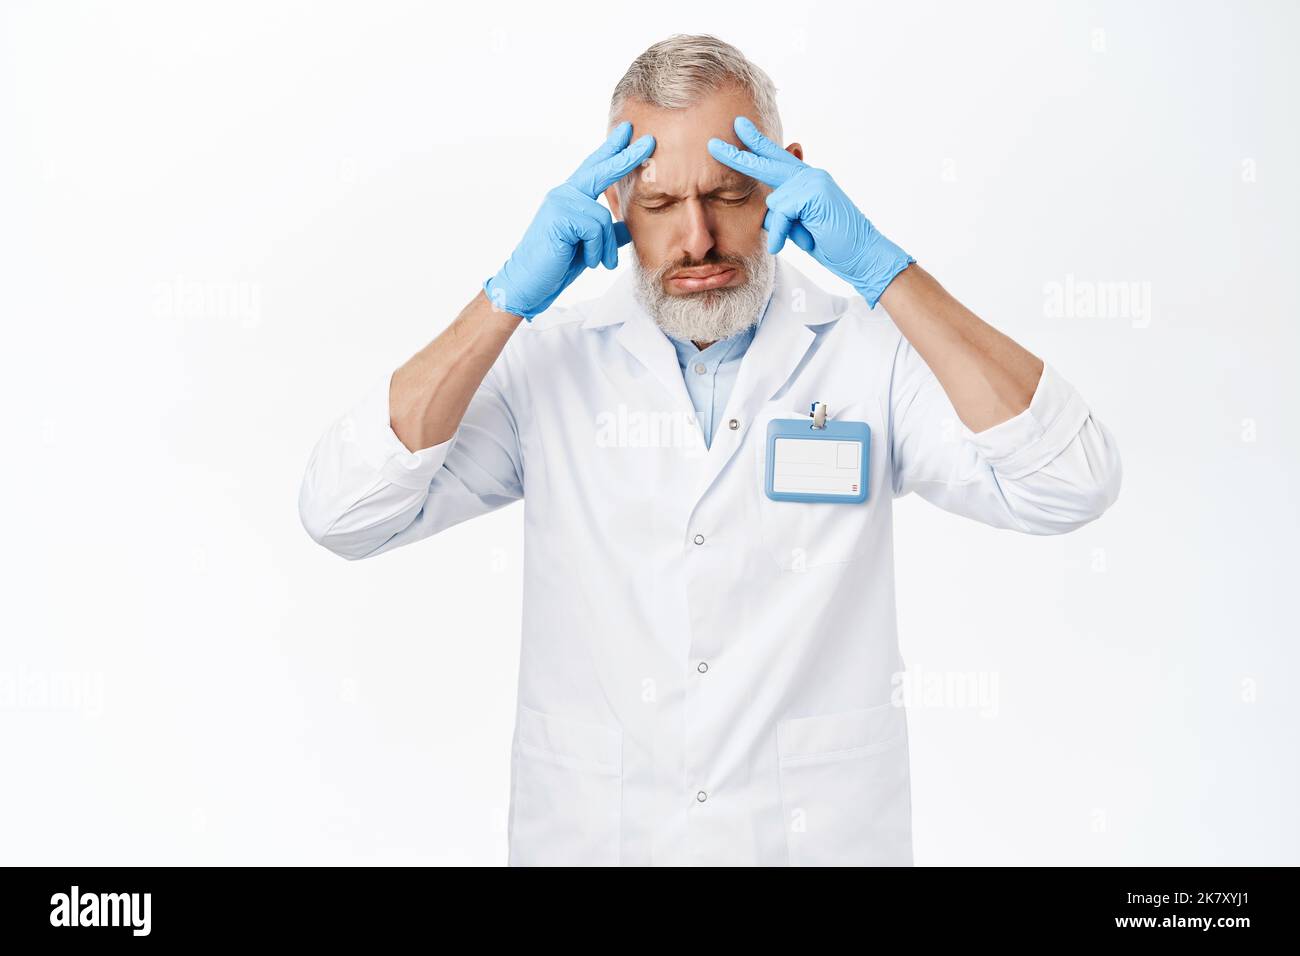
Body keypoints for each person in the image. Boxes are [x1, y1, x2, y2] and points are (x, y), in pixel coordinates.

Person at [298, 34, 1122, 866]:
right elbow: (342, 512)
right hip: (598, 838)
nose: (697, 240)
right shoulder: (546, 362)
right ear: (616, 199)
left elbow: (1070, 482)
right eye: (658, 206)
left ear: (785, 175)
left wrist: (887, 272)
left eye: (729, 195)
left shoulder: (872, 355)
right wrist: (503, 300)